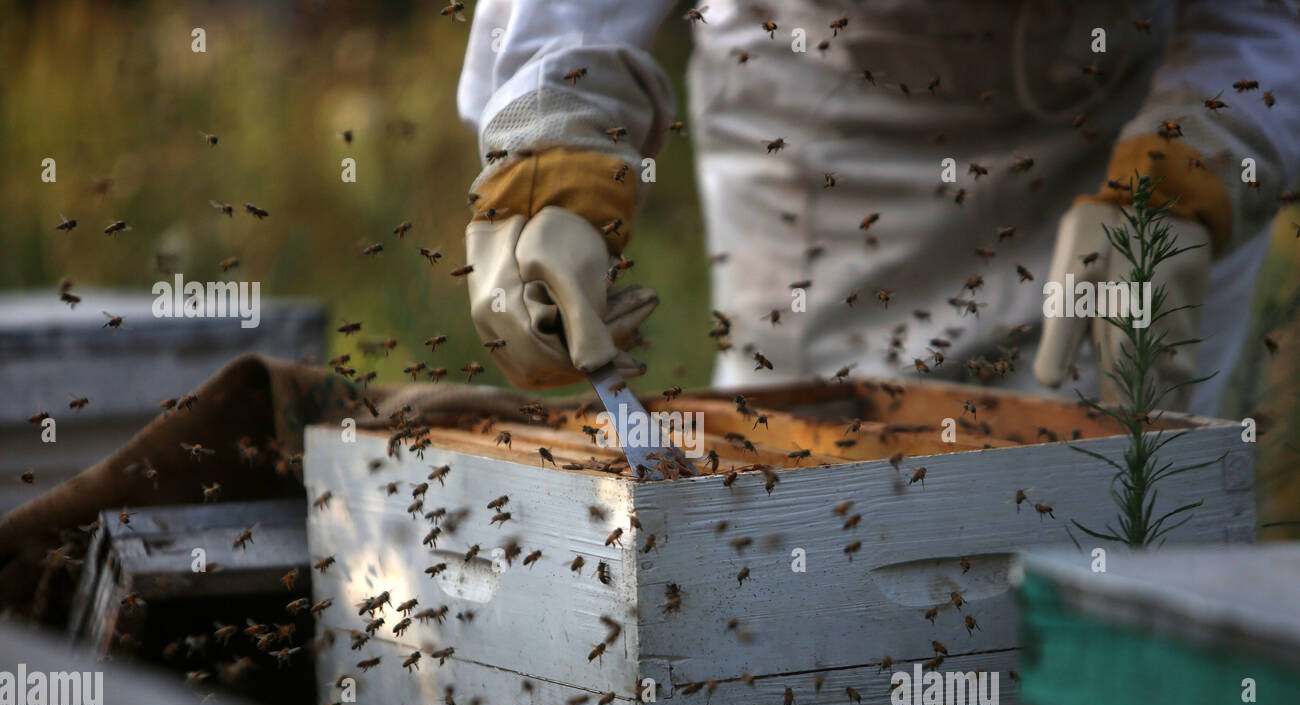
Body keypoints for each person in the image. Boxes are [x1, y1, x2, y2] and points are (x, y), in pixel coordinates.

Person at [456, 0, 1300, 416]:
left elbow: (1263, 13)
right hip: (822, 107)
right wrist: (552, 150)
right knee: (805, 514)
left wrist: (1193, 164)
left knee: (1123, 530)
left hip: (1125, 101)